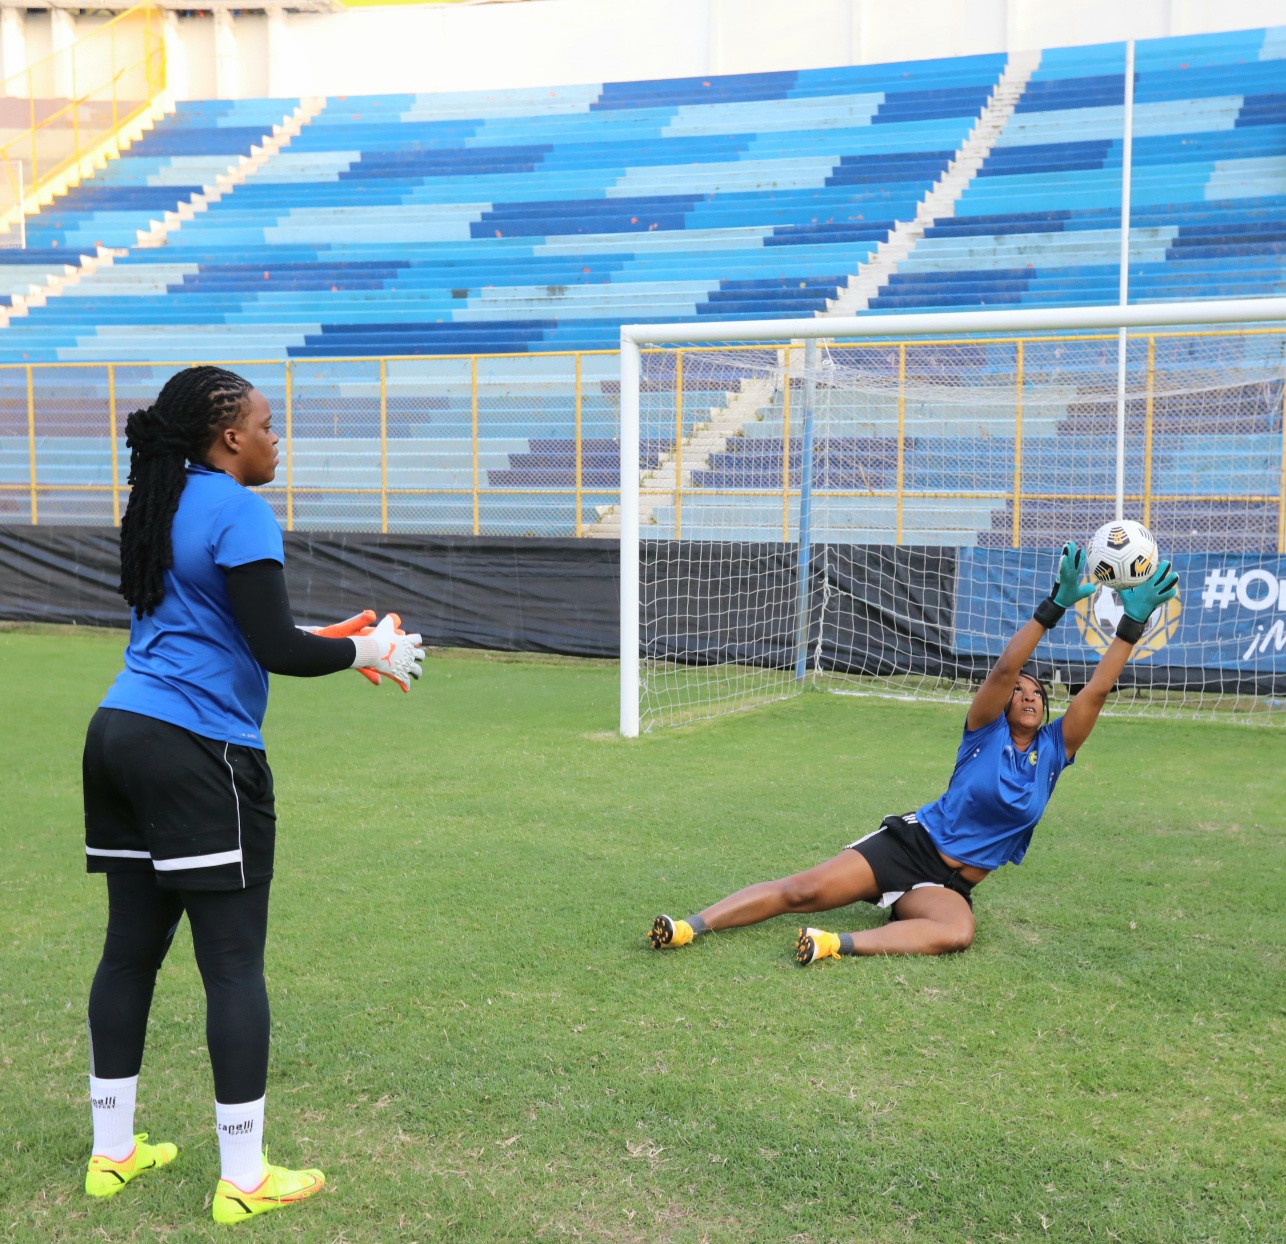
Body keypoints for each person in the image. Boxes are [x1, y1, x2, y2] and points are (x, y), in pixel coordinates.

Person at [81, 367, 424, 1225]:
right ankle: (243, 1177)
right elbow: (273, 647)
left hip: (117, 734)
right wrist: (367, 655)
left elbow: (220, 625)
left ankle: (112, 1155)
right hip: (198, 751)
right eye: (269, 426)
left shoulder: (162, 499)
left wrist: (332, 636)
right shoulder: (242, 508)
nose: (279, 439)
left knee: (129, 950)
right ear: (230, 437)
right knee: (232, 965)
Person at [648, 543, 1179, 965]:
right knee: (803, 889)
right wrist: (1054, 607)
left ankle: (836, 944)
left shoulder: (1056, 750)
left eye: (1038, 693)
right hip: (910, 846)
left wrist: (1129, 630)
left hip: (949, 884)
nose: (1028, 694)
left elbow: (1096, 692)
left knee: (957, 932)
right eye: (1020, 690)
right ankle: (689, 927)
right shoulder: (983, 732)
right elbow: (1001, 671)